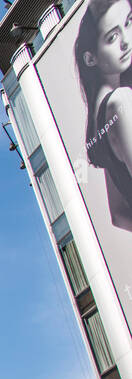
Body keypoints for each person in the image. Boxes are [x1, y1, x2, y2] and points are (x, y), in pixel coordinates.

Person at [76, 0, 132, 231]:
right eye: (112, 37)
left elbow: (118, 214)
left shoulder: (101, 120)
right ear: (91, 58)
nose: (126, 41)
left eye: (129, 23)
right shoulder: (121, 102)